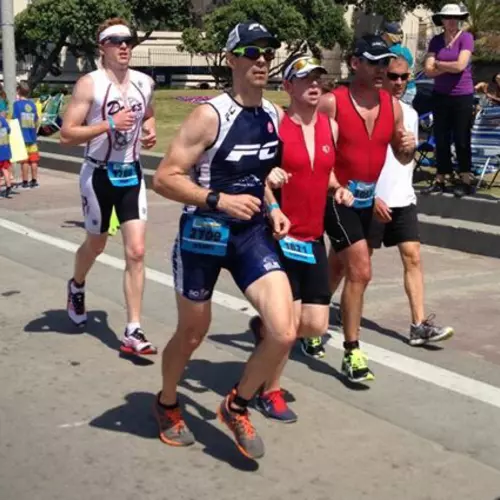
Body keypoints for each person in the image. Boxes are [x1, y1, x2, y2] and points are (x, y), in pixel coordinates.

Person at [152, 21, 296, 460]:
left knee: (284, 331)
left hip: (251, 233)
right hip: (203, 234)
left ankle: (236, 405)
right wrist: (219, 199)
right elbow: (164, 178)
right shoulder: (210, 115)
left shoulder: (273, 114)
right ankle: (168, 402)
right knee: (193, 333)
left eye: (267, 52)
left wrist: (272, 206)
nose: (261, 60)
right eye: (251, 52)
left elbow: (258, 178)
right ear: (231, 59)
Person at [247, 55, 353, 421]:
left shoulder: (330, 128)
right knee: (289, 330)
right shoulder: (276, 128)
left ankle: (262, 329)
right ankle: (270, 391)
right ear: (288, 86)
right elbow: (257, 176)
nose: (313, 85)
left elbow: (324, 173)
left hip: (312, 239)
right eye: (304, 78)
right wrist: (271, 194)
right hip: (278, 239)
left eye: (318, 79)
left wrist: (338, 189)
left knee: (316, 326)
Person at [318, 35, 416, 383]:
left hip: (367, 200)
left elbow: (402, 156)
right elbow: (317, 155)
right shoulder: (333, 103)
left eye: (385, 62)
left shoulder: (393, 107)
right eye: (373, 62)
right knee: (360, 270)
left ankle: (310, 322)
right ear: (354, 62)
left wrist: (409, 148)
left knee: (337, 267)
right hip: (335, 199)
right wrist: (336, 187)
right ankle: (352, 351)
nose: (381, 69)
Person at [60, 17, 158, 356]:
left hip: (131, 173)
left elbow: (148, 114)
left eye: (128, 40)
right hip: (98, 175)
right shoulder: (90, 84)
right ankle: (77, 284)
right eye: (115, 40)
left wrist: (150, 129)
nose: (124, 46)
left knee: (137, 251)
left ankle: (133, 329)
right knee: (96, 245)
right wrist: (108, 124)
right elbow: (67, 134)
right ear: (102, 47)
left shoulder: (145, 82)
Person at [369, 56, 454, 346]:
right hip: (371, 200)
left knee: (413, 257)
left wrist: (406, 191)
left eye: (405, 78)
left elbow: (405, 160)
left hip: (402, 200)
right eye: (394, 77)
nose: (399, 83)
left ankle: (418, 325)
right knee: (351, 267)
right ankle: (314, 310)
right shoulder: (370, 110)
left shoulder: (411, 113)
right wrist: (370, 195)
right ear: (382, 77)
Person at [424, 3, 474, 198]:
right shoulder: (436, 41)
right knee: (441, 138)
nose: (452, 21)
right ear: (442, 20)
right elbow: (427, 70)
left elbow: (461, 65)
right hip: (440, 95)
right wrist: (446, 66)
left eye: (455, 18)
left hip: (462, 95)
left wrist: (438, 63)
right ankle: (440, 178)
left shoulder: (467, 38)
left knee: (462, 138)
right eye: (448, 17)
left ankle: (465, 179)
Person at [13, 82, 40, 188]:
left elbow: (14, 119)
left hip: (22, 137)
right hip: (32, 137)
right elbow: (36, 119)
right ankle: (34, 180)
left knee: (24, 161)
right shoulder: (32, 105)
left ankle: (25, 181)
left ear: (18, 91)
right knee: (33, 160)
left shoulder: (17, 105)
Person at [0, 114, 13, 198]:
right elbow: (9, 130)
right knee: (5, 169)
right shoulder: (3, 119)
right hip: (5, 149)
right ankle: (8, 186)